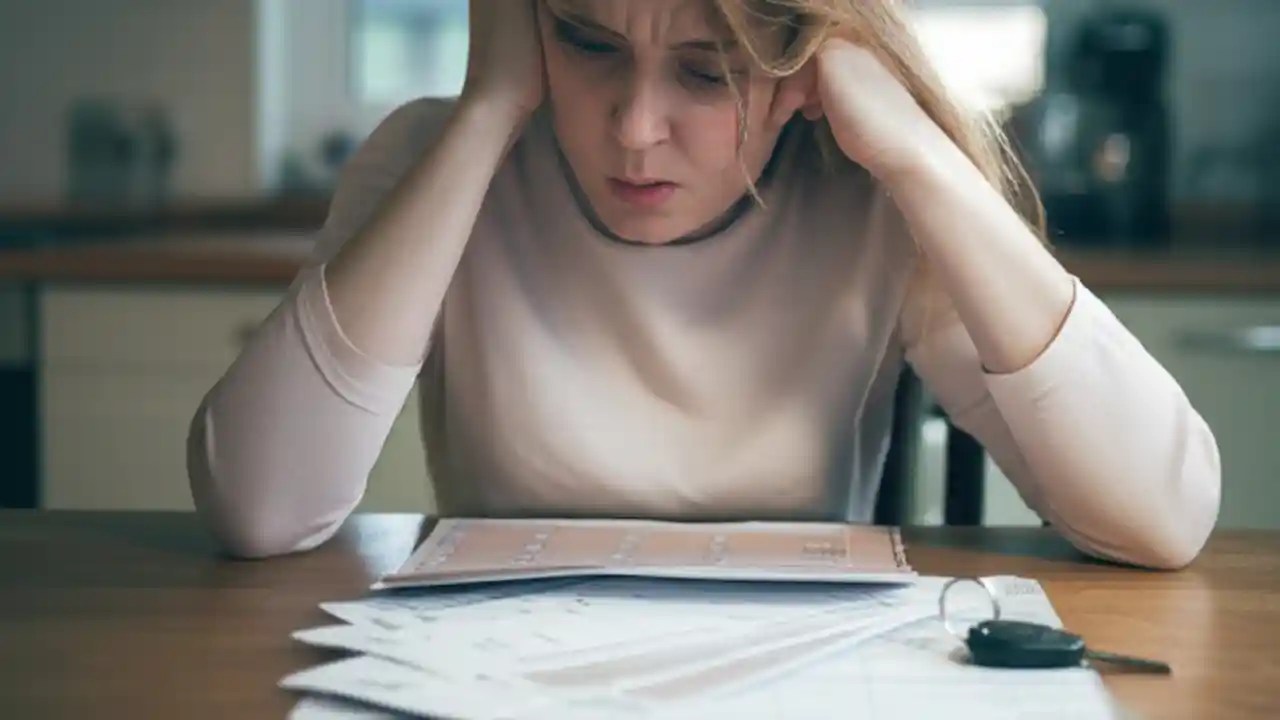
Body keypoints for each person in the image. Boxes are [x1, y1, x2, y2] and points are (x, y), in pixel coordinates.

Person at [187, 0, 1220, 568]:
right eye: (585, 43)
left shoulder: (866, 203)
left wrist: (912, 152)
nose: (635, 129)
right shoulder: (432, 163)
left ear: (801, 59)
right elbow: (259, 509)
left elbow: (1160, 517)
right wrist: (488, 110)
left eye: (705, 68)